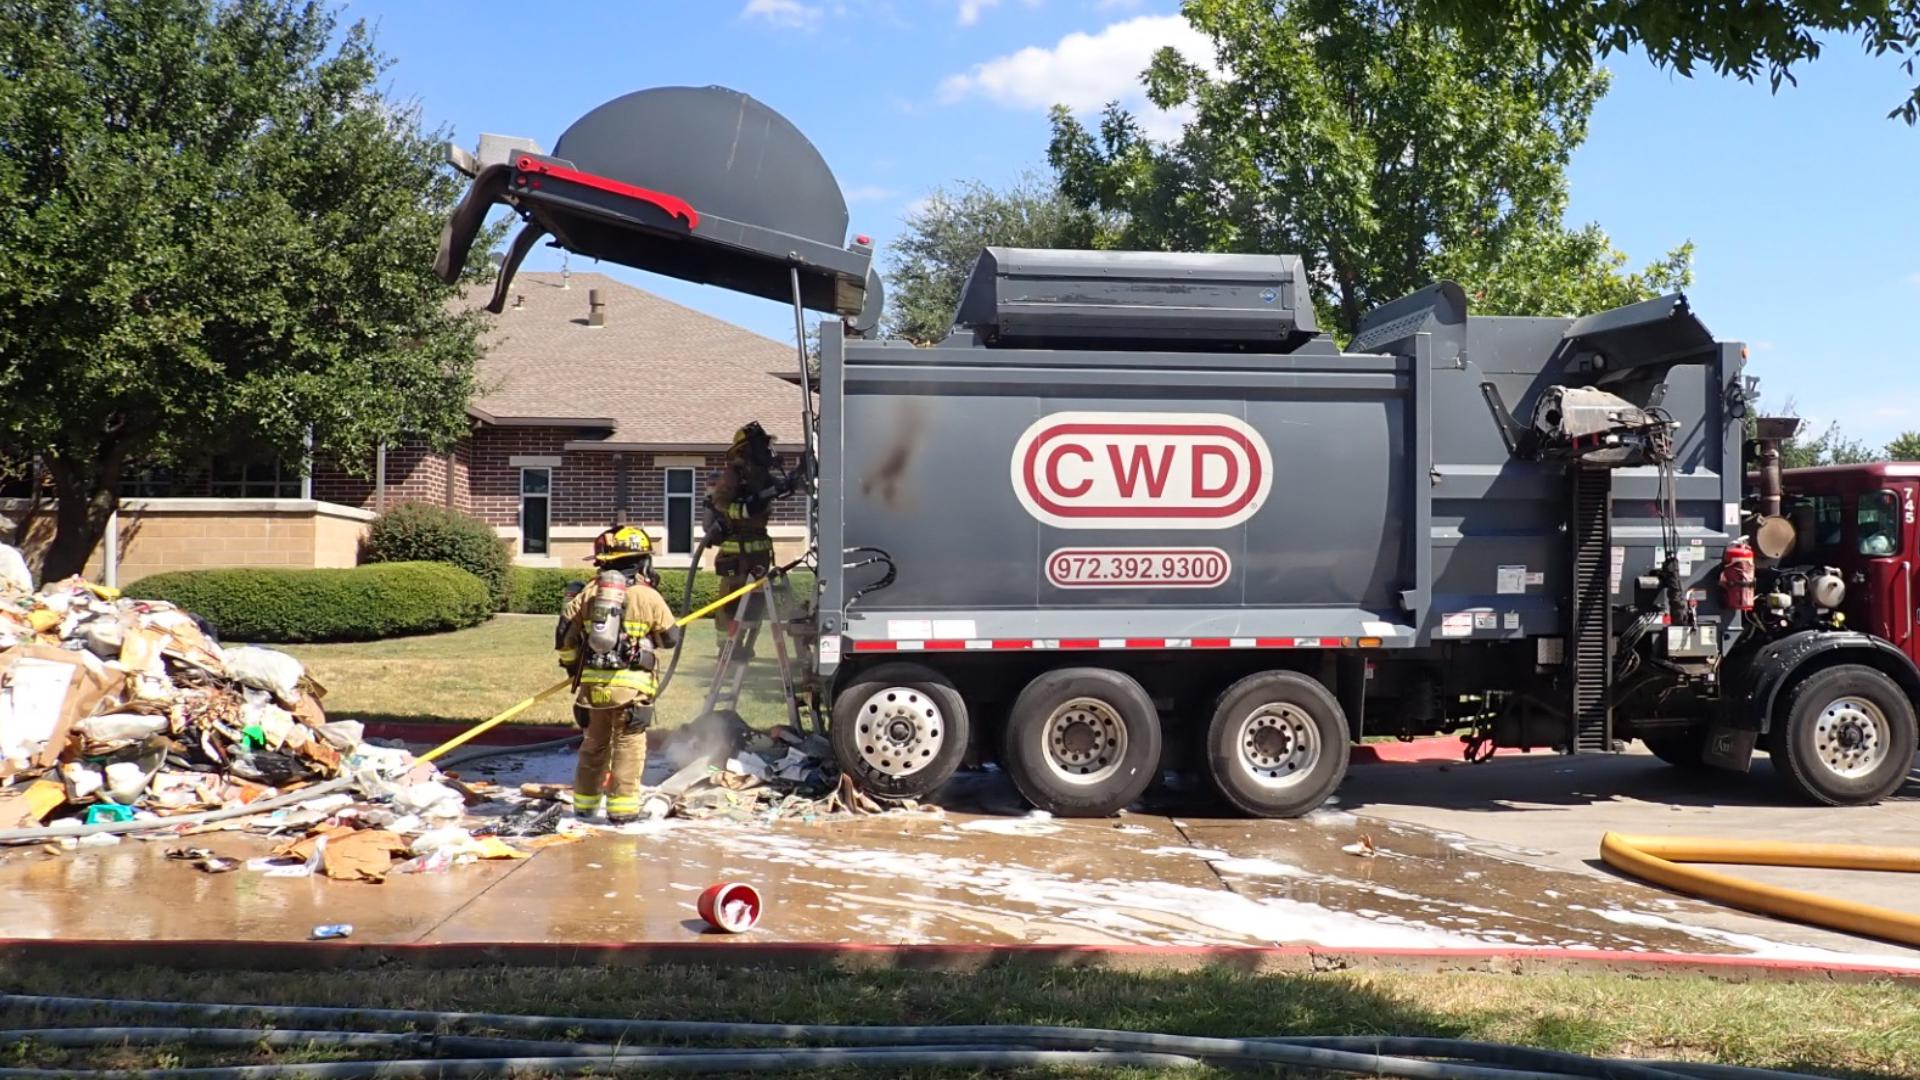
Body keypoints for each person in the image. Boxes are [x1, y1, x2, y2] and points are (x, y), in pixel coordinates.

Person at [556, 525, 681, 823]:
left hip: (592, 690)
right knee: (628, 746)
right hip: (632, 690)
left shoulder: (587, 595)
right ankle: (623, 811)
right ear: (641, 561)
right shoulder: (646, 596)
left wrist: (574, 667)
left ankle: (584, 805)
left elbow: (563, 639)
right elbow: (671, 639)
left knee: (594, 745)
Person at [704, 422, 795, 646]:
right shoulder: (734, 473)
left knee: (755, 607)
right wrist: (742, 510)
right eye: (761, 445)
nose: (766, 450)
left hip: (759, 556)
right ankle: (726, 649)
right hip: (737, 558)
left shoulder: (762, 475)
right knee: (731, 607)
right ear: (746, 449)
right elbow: (720, 501)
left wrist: (794, 479)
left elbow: (779, 488)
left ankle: (745, 647)